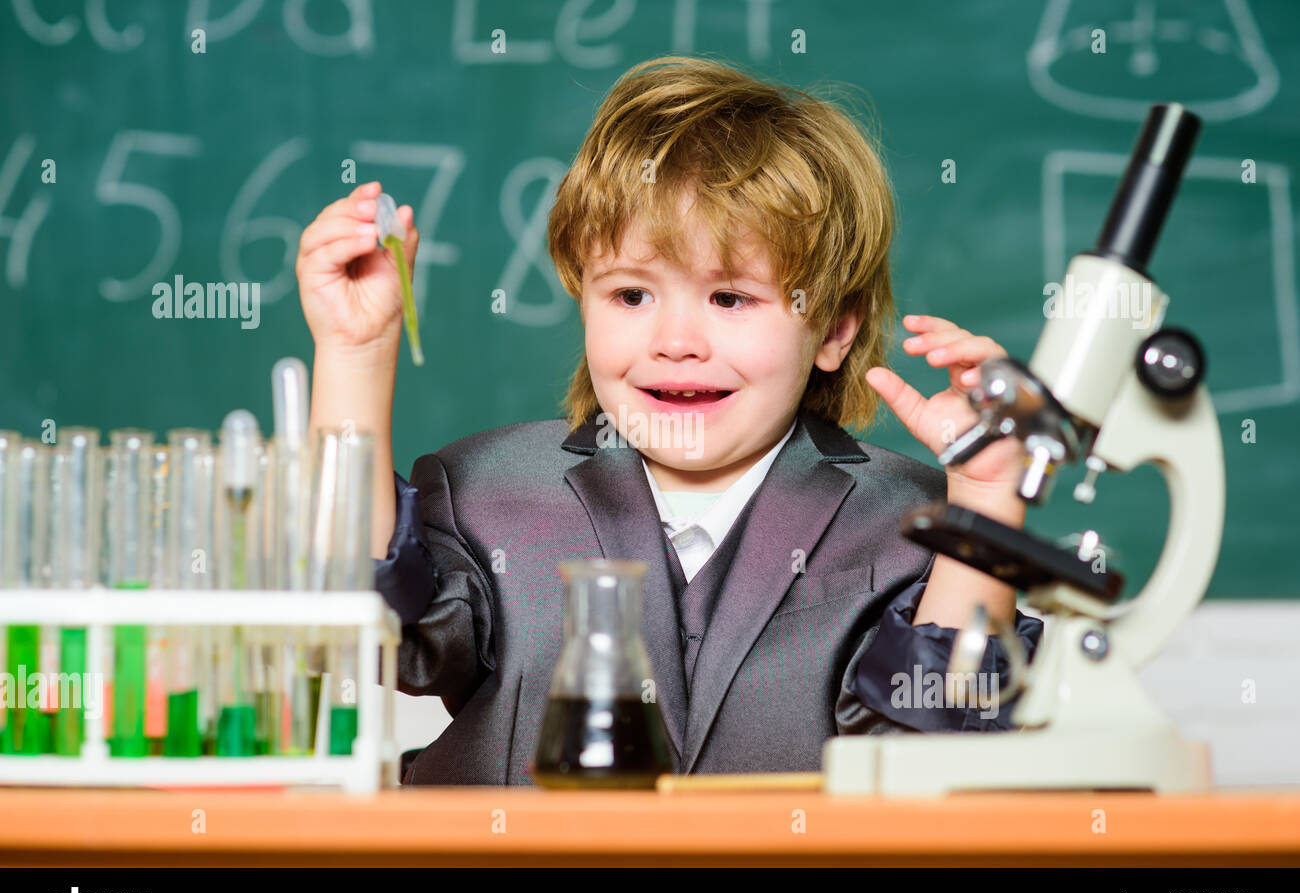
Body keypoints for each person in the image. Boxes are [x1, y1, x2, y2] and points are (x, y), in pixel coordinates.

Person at [295, 55, 1043, 785]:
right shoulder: (486, 492)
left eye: (729, 299)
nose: (675, 342)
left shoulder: (915, 526)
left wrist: (984, 501)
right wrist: (356, 354)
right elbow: (362, 624)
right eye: (630, 296)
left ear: (836, 330)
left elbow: (938, 743)